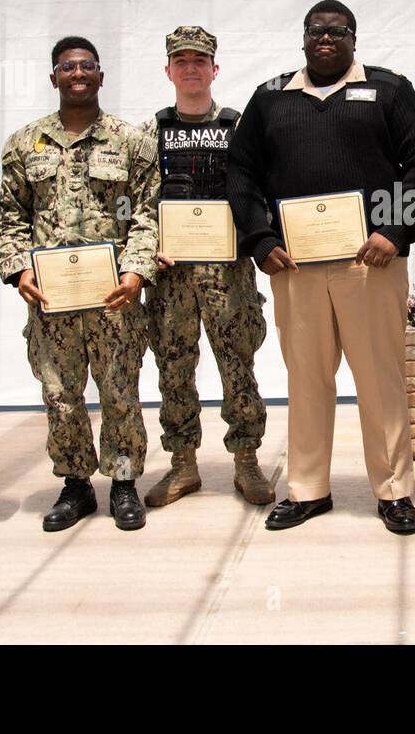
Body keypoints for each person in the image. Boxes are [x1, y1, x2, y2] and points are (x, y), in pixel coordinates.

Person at [226, 0, 415, 535]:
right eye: (316, 32)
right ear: (303, 38)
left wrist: (395, 231)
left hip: (370, 265)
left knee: (379, 380)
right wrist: (259, 238)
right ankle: (307, 490)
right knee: (307, 380)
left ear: (353, 38)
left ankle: (393, 491)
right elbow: (241, 171)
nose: (326, 39)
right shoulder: (272, 98)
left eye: (337, 31)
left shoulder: (389, 91)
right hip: (295, 267)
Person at [0, 36, 159, 533]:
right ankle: (75, 484)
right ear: (54, 77)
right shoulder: (26, 144)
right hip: (52, 302)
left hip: (115, 299)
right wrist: (17, 271)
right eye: (67, 67)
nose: (77, 73)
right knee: (59, 394)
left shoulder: (131, 142)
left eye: (87, 65)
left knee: (120, 391)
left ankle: (126, 483)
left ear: (101, 76)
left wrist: (135, 271)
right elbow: (10, 219)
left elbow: (147, 214)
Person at [140, 26, 273, 509]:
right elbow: (135, 203)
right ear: (169, 70)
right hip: (171, 274)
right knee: (173, 367)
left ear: (214, 69)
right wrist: (147, 245)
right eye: (182, 61)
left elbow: (260, 191)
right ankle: (183, 465)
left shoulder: (240, 130)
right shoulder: (147, 135)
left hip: (228, 274)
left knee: (238, 365)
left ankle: (246, 461)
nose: (191, 68)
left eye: (200, 61)